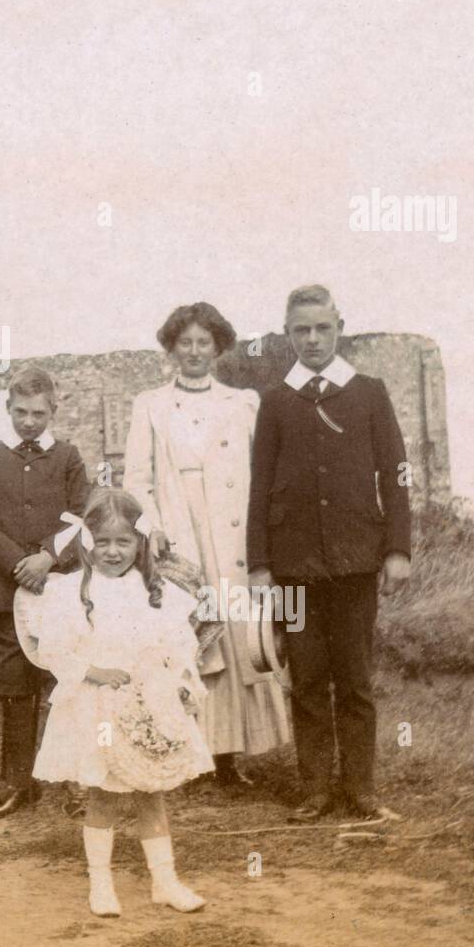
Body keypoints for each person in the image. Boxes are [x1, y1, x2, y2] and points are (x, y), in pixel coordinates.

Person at [246, 285, 411, 823]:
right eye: (301, 330)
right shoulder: (275, 401)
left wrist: (397, 549)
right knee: (308, 679)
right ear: (287, 333)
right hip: (292, 567)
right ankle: (316, 788)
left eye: (321, 328)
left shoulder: (369, 392)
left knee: (355, 680)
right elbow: (259, 484)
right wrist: (260, 565)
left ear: (339, 326)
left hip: (358, 560)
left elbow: (396, 476)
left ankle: (360, 790)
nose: (312, 339)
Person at [16, 489, 214, 918]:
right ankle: (101, 883)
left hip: (148, 707)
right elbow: (54, 649)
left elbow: (180, 646)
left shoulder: (155, 591)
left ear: (139, 543)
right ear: (88, 542)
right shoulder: (72, 592)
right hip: (98, 707)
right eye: (102, 541)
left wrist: (182, 684)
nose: (112, 551)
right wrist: (95, 672)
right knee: (103, 794)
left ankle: (164, 881)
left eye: (122, 542)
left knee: (152, 794)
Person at [124, 302, 291, 788]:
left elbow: (263, 476)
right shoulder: (149, 404)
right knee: (190, 640)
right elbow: (138, 478)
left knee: (236, 641)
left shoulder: (243, 403)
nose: (194, 352)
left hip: (234, 535)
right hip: (181, 534)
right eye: (185, 343)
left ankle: (229, 760)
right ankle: (186, 755)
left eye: (204, 343)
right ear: (172, 348)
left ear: (218, 348)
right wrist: (152, 528)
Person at [0, 367, 89, 818]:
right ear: (8, 409)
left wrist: (46, 558)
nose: (30, 422)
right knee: (14, 681)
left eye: (39, 413)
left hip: (59, 588)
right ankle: (18, 783)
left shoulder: (69, 457)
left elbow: (81, 517)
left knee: (66, 682)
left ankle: (75, 780)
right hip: (7, 590)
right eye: (21, 412)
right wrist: (19, 565)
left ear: (53, 410)